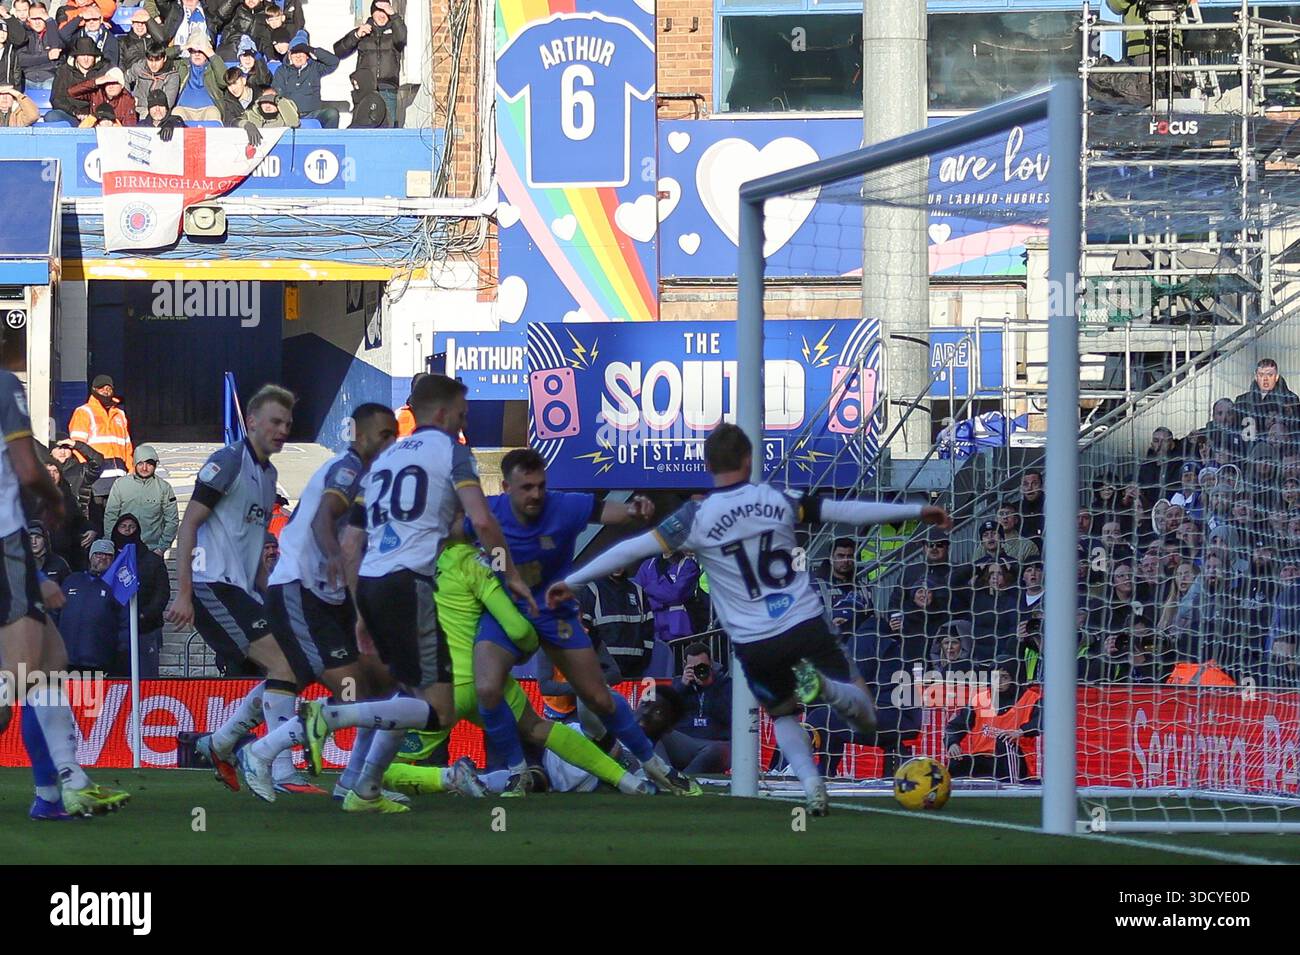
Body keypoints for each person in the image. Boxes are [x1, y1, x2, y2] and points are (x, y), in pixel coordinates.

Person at [547, 422, 953, 816]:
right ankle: (828, 688)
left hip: (754, 641)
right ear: (748, 457)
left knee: (781, 714)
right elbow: (841, 509)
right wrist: (916, 509)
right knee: (864, 711)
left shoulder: (695, 517)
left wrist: (572, 579)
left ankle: (812, 788)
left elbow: (631, 549)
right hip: (802, 620)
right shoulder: (775, 497)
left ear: (708, 465)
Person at [291, 375, 537, 812]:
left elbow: (354, 539)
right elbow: (481, 520)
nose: (464, 422)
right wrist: (510, 573)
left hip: (371, 583)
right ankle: (330, 717)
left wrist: (360, 612)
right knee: (438, 709)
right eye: (461, 413)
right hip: (411, 586)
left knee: (399, 691)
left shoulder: (383, 462)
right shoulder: (452, 452)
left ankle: (364, 789)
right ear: (442, 414)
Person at [364, 505, 646, 804]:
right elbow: (518, 629)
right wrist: (523, 651)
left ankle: (448, 777)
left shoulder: (413, 564)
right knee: (538, 727)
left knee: (371, 766)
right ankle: (626, 779)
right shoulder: (475, 563)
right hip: (485, 678)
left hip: (440, 685)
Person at [470, 447, 699, 797]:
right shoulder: (488, 514)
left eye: (540, 486)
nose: (535, 494)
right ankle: (518, 772)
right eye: (526, 487)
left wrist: (636, 509)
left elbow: (609, 511)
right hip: (507, 611)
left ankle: (658, 768)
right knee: (486, 688)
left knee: (599, 699)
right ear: (505, 486)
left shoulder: (564, 505)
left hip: (555, 611)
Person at [164, 385, 307, 795]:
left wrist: (269, 596)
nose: (283, 430)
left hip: (240, 589)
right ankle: (276, 766)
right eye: (275, 422)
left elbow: (254, 546)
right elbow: (188, 524)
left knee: (291, 667)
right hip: (212, 585)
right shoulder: (227, 462)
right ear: (253, 421)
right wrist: (184, 593)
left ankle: (221, 744)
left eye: (288, 423)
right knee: (284, 666)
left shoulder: (269, 476)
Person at [0, 371, 130, 819]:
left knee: (50, 665)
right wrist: (55, 501)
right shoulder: (4, 386)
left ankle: (61, 789)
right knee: (23, 673)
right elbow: (26, 464)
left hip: (13, 551)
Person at [944, 664, 1040, 783]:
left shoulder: (1031, 699)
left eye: (1004, 677)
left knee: (1003, 740)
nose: (998, 682)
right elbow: (955, 726)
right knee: (956, 761)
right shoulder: (980, 699)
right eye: (995, 677)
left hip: (1015, 758)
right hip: (982, 758)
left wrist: (1021, 731)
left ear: (1015, 678)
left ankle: (1011, 785)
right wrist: (952, 743)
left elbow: (1044, 721)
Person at [67, 374, 132, 535]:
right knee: (98, 525)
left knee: (119, 526)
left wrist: (130, 471)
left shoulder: (120, 414)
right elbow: (78, 446)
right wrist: (89, 472)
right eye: (102, 388)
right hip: (97, 481)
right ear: (94, 390)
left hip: (119, 481)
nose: (106, 391)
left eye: (109, 388)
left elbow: (127, 446)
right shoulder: (84, 412)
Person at [58, 539, 132, 676]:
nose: (103, 558)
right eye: (98, 554)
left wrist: (121, 652)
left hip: (98, 661)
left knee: (94, 697)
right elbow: (55, 611)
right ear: (90, 556)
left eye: (108, 555)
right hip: (66, 659)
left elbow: (125, 621)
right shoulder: (72, 580)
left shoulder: (118, 587)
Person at [109, 513, 169, 678]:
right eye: (123, 527)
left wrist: (144, 614)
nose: (127, 531)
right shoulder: (108, 558)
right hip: (113, 630)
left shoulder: (152, 560)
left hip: (146, 629)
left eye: (131, 527)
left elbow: (162, 593)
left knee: (146, 678)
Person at [658, 643, 731, 774]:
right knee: (652, 729)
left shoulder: (726, 685)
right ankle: (666, 774)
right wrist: (682, 687)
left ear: (711, 664)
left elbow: (730, 717)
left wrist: (710, 685)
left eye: (703, 666)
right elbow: (662, 712)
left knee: (722, 750)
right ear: (685, 665)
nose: (699, 671)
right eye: (693, 667)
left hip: (715, 744)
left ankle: (683, 779)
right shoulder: (678, 684)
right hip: (685, 743)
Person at [575, 563, 656, 681]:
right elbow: (585, 629)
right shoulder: (592, 590)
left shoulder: (637, 591)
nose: (617, 565)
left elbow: (648, 628)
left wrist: (645, 658)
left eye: (622, 561)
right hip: (605, 667)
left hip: (634, 668)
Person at [332, 0, 404, 124]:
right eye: (378, 11)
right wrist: (356, 35)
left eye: (385, 12)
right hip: (365, 89)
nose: (382, 15)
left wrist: (394, 15)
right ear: (372, 13)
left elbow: (402, 38)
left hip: (388, 90)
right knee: (363, 127)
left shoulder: (395, 32)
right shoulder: (363, 31)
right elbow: (339, 51)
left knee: (388, 130)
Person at [270, 30, 339, 127]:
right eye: (294, 52)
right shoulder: (282, 70)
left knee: (332, 114)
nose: (298, 56)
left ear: (307, 55)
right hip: (289, 113)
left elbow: (334, 62)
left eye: (302, 52)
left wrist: (313, 50)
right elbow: (277, 91)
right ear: (289, 55)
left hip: (312, 112)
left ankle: (329, 141)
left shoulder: (315, 68)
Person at [46, 34, 107, 123]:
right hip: (71, 114)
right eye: (82, 55)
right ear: (76, 57)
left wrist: (93, 115)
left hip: (96, 117)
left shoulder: (103, 71)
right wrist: (75, 111)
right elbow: (57, 99)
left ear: (95, 57)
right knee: (51, 116)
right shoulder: (64, 71)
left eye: (89, 55)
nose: (86, 59)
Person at [126, 41, 180, 118]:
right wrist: (129, 99)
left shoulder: (172, 75)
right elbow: (124, 79)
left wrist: (139, 102)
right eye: (150, 60)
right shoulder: (139, 68)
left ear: (164, 59)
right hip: (137, 108)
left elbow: (168, 103)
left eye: (157, 60)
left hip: (159, 110)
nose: (153, 64)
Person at [17, 4, 59, 90]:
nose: (37, 22)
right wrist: (47, 56)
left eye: (40, 18)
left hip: (50, 77)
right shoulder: (23, 34)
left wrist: (50, 22)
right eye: (34, 19)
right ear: (28, 19)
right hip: (27, 78)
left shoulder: (54, 32)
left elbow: (57, 58)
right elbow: (21, 59)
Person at [119, 8, 164, 72]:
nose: (140, 25)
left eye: (143, 22)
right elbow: (120, 64)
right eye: (137, 22)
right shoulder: (122, 42)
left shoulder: (154, 41)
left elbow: (162, 39)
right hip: (131, 78)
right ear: (132, 24)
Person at [27, 522, 71, 587]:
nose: (34, 542)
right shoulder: (20, 564)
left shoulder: (59, 563)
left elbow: (70, 590)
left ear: (45, 539)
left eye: (38, 537)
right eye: (30, 538)